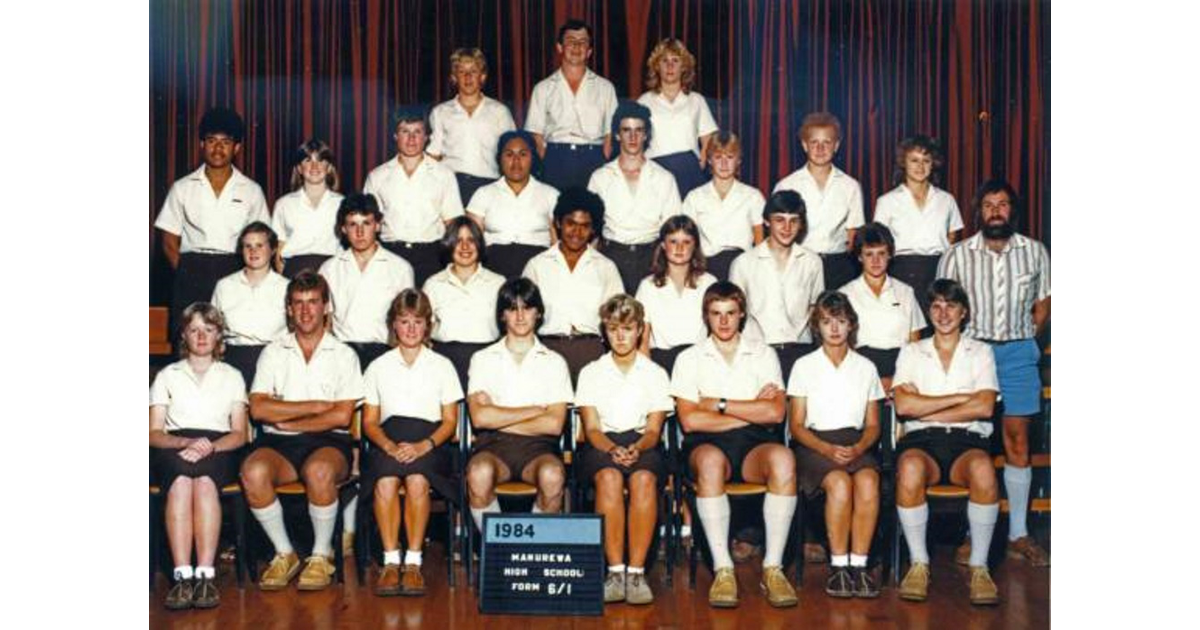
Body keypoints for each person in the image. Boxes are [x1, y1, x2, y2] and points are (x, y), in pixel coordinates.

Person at [937, 179, 1051, 568]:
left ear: (1011, 210)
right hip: (974, 353)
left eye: (1002, 204)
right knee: (975, 445)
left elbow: (1043, 306)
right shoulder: (957, 255)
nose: (996, 211)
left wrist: (1027, 342)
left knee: (1017, 441)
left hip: (1018, 352)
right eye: (988, 205)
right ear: (979, 212)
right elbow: (944, 308)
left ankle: (1018, 533)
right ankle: (974, 534)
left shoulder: (1034, 251)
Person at [671, 281, 798, 609]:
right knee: (710, 462)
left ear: (742, 314)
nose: (724, 321)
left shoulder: (764, 353)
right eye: (716, 314)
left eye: (730, 313)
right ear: (706, 316)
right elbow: (690, 421)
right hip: (707, 444)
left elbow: (775, 413)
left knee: (784, 459)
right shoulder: (689, 358)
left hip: (755, 445)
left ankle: (773, 568)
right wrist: (752, 411)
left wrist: (719, 404)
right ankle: (723, 569)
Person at [241, 271, 363, 592]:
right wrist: (318, 406)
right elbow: (259, 409)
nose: (306, 310)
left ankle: (321, 555)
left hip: (329, 442)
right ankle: (285, 553)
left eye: (313, 302)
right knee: (253, 472)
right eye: (298, 303)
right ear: (289, 309)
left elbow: (342, 416)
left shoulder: (344, 354)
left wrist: (288, 416)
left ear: (326, 307)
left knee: (320, 471)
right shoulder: (273, 351)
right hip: (278, 443)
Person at [892, 279, 1002, 606]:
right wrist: (960, 398)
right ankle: (919, 564)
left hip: (967, 443)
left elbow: (985, 407)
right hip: (921, 441)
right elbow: (903, 407)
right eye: (936, 306)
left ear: (963, 312)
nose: (943, 314)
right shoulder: (912, 351)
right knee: (910, 468)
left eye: (951, 306)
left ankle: (979, 567)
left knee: (983, 469)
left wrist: (926, 406)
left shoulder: (980, 351)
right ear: (928, 312)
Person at [361, 289, 463, 597]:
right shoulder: (378, 366)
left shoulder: (442, 365)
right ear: (393, 324)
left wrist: (424, 446)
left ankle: (414, 562)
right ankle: (391, 561)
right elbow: (369, 422)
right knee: (385, 481)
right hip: (388, 440)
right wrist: (389, 446)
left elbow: (450, 422)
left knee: (418, 480)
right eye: (404, 321)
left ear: (427, 325)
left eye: (418, 322)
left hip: (431, 443)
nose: (410, 329)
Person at [151, 303, 249, 610]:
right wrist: (186, 442)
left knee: (205, 483)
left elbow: (240, 433)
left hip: (219, 446)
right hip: (175, 446)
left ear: (219, 335)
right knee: (181, 483)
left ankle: (205, 576)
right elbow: (153, 433)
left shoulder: (232, 376)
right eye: (194, 330)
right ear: (184, 335)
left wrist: (210, 446)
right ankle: (182, 577)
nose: (202, 336)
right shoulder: (167, 375)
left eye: (208, 329)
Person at [576, 295, 672, 605]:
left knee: (643, 479)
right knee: (609, 478)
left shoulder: (655, 373)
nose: (620, 336)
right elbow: (591, 429)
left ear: (640, 330)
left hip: (643, 443)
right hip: (602, 444)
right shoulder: (591, 372)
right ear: (604, 331)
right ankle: (615, 572)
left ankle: (637, 573)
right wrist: (613, 449)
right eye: (613, 328)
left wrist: (636, 447)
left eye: (628, 328)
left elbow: (654, 431)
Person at [787, 292, 884, 599]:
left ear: (851, 325)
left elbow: (873, 425)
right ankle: (839, 566)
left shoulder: (866, 367)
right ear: (817, 326)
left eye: (841, 321)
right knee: (840, 483)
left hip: (855, 442)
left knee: (868, 481)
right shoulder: (804, 366)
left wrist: (859, 448)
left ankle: (860, 565)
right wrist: (826, 449)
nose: (834, 328)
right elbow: (796, 426)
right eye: (827, 321)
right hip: (815, 444)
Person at [465, 278, 573, 532]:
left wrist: (497, 415)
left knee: (552, 475)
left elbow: (554, 425)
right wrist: (534, 410)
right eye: (512, 308)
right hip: (492, 445)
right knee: (478, 473)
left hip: (539, 447)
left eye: (527, 307)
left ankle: (533, 545)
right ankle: (497, 546)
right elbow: (480, 419)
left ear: (539, 313)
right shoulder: (482, 359)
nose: (521, 316)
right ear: (502, 315)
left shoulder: (555, 362)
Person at [155, 107, 269, 335]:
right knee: (188, 339)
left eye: (225, 142)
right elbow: (168, 240)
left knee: (231, 336)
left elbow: (263, 239)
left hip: (234, 269)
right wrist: (186, 272)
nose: (218, 148)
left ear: (237, 147)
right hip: (191, 270)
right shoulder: (182, 188)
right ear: (201, 144)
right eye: (211, 141)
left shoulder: (252, 190)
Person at [522, 187, 624, 384]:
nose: (577, 232)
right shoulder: (537, 265)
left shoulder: (606, 267)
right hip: (547, 350)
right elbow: (525, 316)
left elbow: (616, 318)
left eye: (585, 226)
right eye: (571, 223)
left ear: (593, 229)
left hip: (591, 351)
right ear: (558, 222)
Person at [729, 190, 824, 383]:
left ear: (801, 224)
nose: (787, 228)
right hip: (758, 354)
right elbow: (733, 314)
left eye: (794, 221)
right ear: (766, 221)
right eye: (779, 220)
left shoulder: (812, 262)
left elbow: (815, 308)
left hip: (800, 352)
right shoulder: (743, 263)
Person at [587, 101, 683, 292]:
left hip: (652, 258)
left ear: (646, 135)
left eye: (638, 130)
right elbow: (591, 230)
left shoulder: (664, 178)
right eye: (626, 130)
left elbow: (673, 230)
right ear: (617, 135)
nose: (633, 137)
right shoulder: (600, 177)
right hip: (611, 257)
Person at [363, 107, 465, 286]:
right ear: (395, 136)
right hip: (390, 254)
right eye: (405, 131)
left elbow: (453, 223)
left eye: (417, 132)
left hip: (431, 256)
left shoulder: (444, 175)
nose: (411, 139)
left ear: (426, 137)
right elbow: (367, 223)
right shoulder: (377, 176)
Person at [318, 193, 416, 369]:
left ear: (377, 225)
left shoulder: (400, 268)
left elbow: (407, 321)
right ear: (343, 228)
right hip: (342, 354)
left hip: (384, 354)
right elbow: (326, 322)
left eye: (366, 223)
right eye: (353, 224)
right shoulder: (329, 269)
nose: (360, 232)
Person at [772, 112, 864, 291]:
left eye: (826, 142)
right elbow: (776, 233)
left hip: (839, 266)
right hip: (799, 263)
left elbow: (853, 235)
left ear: (836, 145)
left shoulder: (850, 186)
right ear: (804, 145)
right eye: (814, 142)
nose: (820, 149)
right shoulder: (786, 185)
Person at [524, 19, 619, 191]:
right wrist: (548, 161)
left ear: (589, 51)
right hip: (555, 160)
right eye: (570, 41)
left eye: (583, 42)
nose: (576, 46)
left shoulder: (605, 88)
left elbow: (610, 134)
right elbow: (536, 134)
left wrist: (603, 160)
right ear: (559, 47)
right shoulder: (543, 89)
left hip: (594, 160)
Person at [872, 135, 964, 311]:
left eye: (926, 161)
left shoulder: (946, 200)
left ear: (933, 164)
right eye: (914, 160)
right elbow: (879, 243)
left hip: (938, 271)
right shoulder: (887, 201)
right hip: (901, 271)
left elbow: (952, 237)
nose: (920, 166)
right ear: (903, 163)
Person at [422, 216, 506, 388]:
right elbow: (424, 330)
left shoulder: (498, 283)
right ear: (449, 244)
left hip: (488, 360)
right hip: (444, 359)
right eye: (458, 240)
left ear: (479, 244)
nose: (465, 247)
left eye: (471, 240)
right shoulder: (433, 284)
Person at [838, 222, 925, 386]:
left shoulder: (905, 292)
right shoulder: (845, 294)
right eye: (869, 254)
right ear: (859, 257)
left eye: (881, 253)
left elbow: (915, 342)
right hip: (860, 370)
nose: (876, 260)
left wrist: (901, 379)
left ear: (890, 254)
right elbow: (842, 345)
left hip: (901, 370)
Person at [465, 130, 559, 280]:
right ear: (500, 158)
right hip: (493, 270)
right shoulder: (483, 194)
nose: (516, 161)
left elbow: (557, 245)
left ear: (532, 158)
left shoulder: (550, 194)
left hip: (538, 271)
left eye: (523, 154)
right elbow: (471, 241)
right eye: (509, 154)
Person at [427, 48, 518, 205]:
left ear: (482, 77)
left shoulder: (500, 111)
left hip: (489, 184)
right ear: (454, 78)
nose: (468, 77)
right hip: (451, 186)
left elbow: (511, 152)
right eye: (462, 72)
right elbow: (433, 156)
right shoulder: (440, 112)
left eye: (473, 71)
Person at [634, 214, 717, 375]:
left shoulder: (708, 282)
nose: (679, 248)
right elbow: (643, 341)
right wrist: (650, 376)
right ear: (663, 245)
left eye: (686, 242)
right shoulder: (648, 286)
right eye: (673, 241)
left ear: (695, 245)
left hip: (699, 362)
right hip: (661, 363)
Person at [637, 38, 718, 197]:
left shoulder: (696, 100)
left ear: (683, 67)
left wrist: (701, 162)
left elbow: (708, 138)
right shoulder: (644, 102)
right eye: (664, 61)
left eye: (675, 60)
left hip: (689, 172)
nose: (670, 66)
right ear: (657, 66)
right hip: (656, 170)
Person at [211, 222, 289, 387]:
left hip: (274, 360)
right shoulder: (224, 286)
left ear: (273, 249)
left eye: (260, 245)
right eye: (248, 246)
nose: (253, 251)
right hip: (234, 359)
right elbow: (213, 328)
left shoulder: (286, 287)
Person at [681, 131, 764, 281]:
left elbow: (760, 240)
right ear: (709, 160)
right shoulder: (694, 197)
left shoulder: (753, 196)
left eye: (730, 157)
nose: (724, 164)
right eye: (718, 157)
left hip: (743, 265)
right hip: (707, 267)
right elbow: (687, 238)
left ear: (738, 160)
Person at [272, 139, 345, 278]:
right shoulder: (283, 204)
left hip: (332, 272)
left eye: (320, 160)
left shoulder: (342, 203)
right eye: (308, 160)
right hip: (295, 272)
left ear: (329, 167)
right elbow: (279, 251)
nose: (314, 166)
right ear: (299, 168)